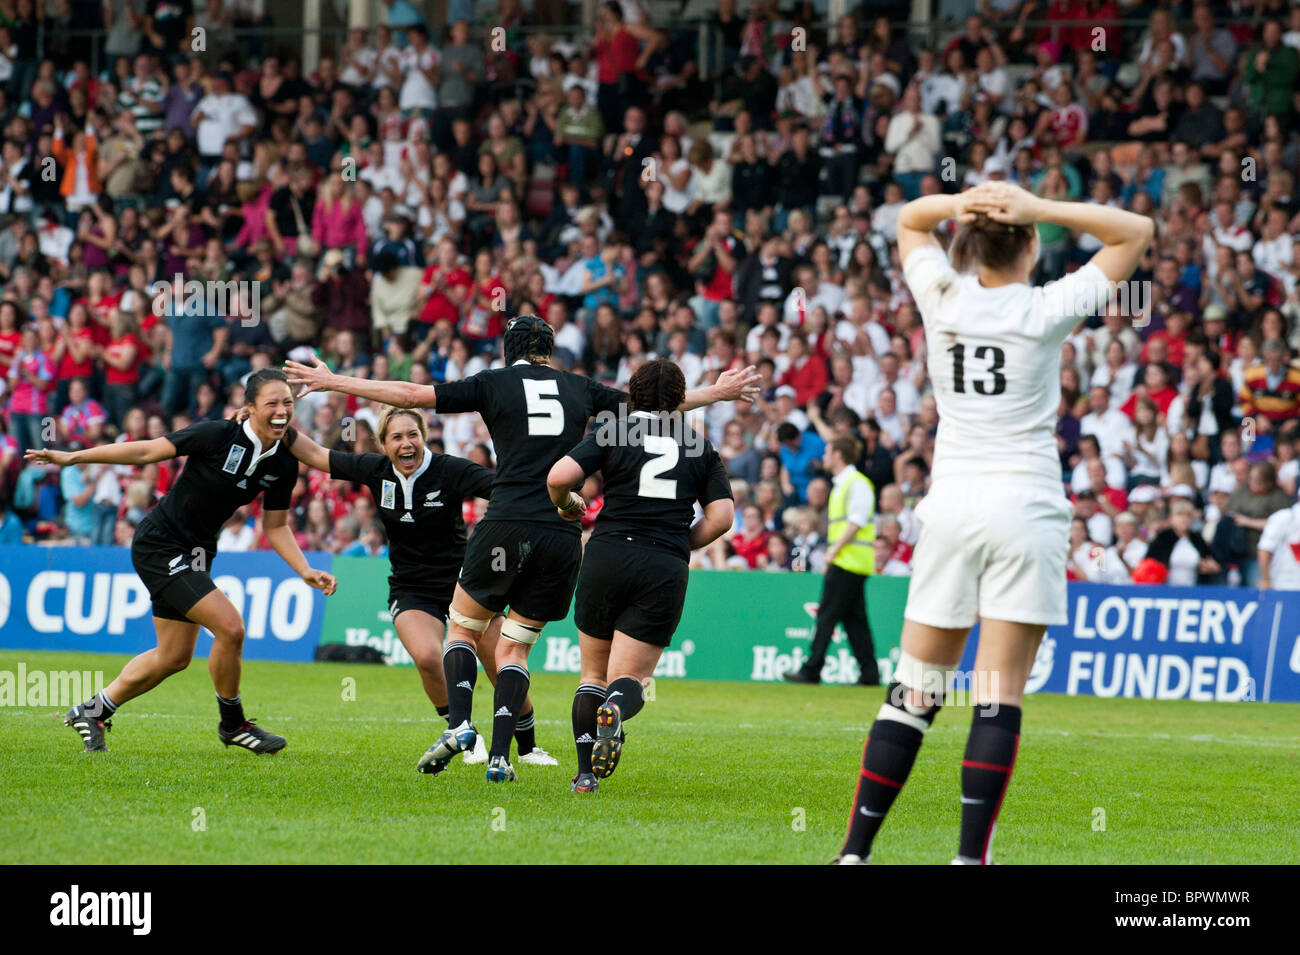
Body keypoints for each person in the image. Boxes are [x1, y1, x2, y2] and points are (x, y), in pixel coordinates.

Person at [286, 315, 758, 782]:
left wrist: (333, 381)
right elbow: (650, 407)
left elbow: (411, 395)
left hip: (509, 522)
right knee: (514, 651)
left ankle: (461, 726)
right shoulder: (581, 387)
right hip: (562, 536)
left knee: (464, 631)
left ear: (508, 351)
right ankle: (505, 756)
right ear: (549, 351)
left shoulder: (493, 383)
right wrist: (716, 393)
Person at [834, 180, 1153, 865]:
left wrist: (963, 201)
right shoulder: (1044, 306)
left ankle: (854, 853)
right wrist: (1040, 206)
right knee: (996, 691)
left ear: (965, 240)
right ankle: (969, 859)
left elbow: (906, 219)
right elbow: (1135, 229)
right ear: (1030, 245)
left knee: (914, 687)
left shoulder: (942, 296)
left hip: (951, 504)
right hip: (1026, 505)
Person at [24, 369, 338, 754]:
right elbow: (145, 450)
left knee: (173, 657)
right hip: (160, 543)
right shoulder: (217, 435)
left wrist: (304, 569)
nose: (281, 410)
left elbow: (276, 526)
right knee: (232, 628)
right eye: (271, 403)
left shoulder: (284, 463)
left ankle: (91, 711)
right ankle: (233, 724)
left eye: (287, 403)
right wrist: (74, 457)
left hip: (198, 553)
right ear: (249, 407)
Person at [267, 405, 558, 771]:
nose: (407, 444)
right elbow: (316, 455)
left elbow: (504, 489)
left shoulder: (450, 470)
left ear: (423, 436)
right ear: (384, 445)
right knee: (426, 658)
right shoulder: (375, 470)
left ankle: (529, 747)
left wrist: (557, 497)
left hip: (464, 587)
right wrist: (275, 422)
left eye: (412, 435)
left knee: (500, 666)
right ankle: (462, 732)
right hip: (410, 589)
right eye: (397, 438)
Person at [546, 359, 735, 792]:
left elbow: (559, 476)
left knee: (591, 673)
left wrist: (567, 504)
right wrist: (679, 544)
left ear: (633, 392)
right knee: (629, 680)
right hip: (663, 565)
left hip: (608, 553)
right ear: (679, 397)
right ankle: (617, 705)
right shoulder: (699, 445)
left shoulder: (613, 430)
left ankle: (586, 776)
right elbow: (722, 518)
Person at [782, 435, 880, 686]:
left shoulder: (856, 484)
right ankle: (869, 674)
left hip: (847, 561)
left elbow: (856, 522)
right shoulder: (846, 484)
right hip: (851, 561)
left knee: (827, 615)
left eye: (827, 452)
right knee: (855, 620)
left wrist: (832, 553)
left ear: (838, 454)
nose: (823, 456)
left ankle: (811, 670)